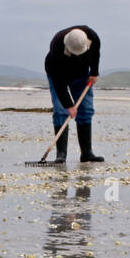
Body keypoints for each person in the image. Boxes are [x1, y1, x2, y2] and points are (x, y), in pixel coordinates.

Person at [43, 25, 104, 163]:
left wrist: (94, 72)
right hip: (58, 75)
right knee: (61, 111)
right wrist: (69, 105)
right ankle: (61, 155)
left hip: (82, 75)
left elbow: (96, 54)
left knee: (86, 109)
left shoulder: (93, 37)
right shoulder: (57, 44)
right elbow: (58, 81)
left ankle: (87, 153)